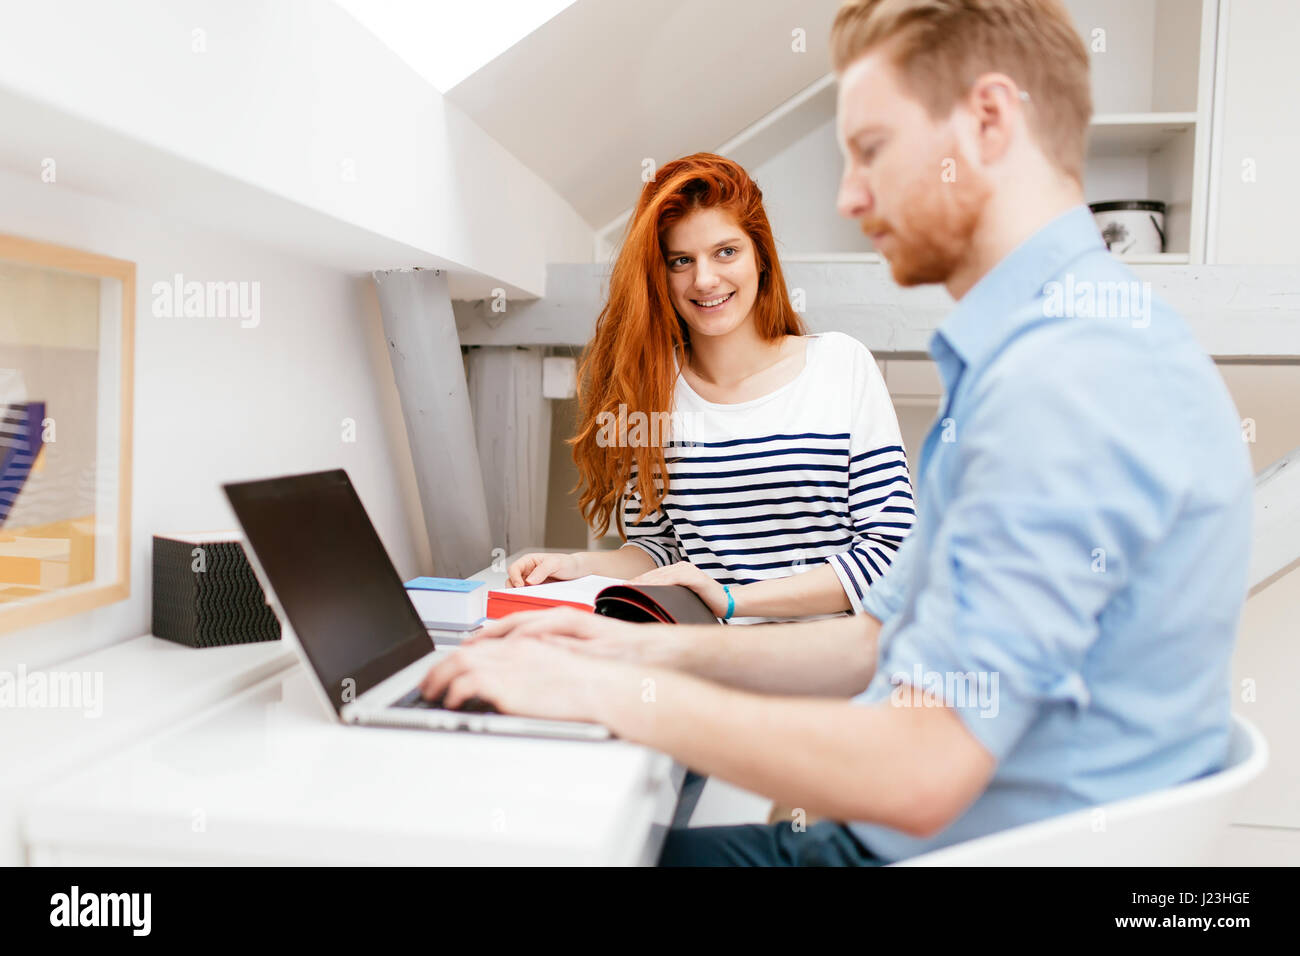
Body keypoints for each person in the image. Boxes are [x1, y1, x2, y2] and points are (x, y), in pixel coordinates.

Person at [421, 0, 1253, 866]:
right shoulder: (1047, 356)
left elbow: (924, 767)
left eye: (871, 150)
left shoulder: (1070, 380)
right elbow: (874, 640)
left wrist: (609, 688)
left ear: (992, 120)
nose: (851, 197)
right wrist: (634, 642)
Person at [508, 153, 914, 624]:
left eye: (726, 251)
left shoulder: (841, 366)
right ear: (660, 276)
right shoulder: (653, 391)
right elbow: (660, 551)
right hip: (707, 659)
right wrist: (577, 567)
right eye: (681, 260)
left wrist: (734, 598)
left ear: (759, 256)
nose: (704, 279)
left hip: (835, 664)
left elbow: (892, 554)